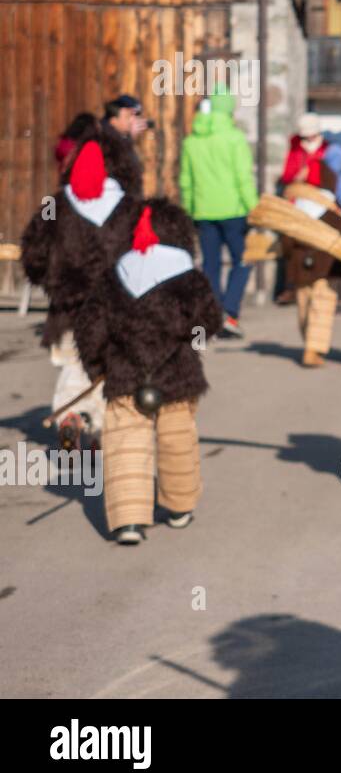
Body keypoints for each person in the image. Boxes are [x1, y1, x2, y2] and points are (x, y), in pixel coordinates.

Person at [74, 198, 224, 545]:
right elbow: (209, 321)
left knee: (125, 445)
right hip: (177, 375)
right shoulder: (190, 278)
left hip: (125, 375)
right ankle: (179, 507)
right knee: (178, 442)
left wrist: (99, 366)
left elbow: (90, 328)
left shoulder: (113, 277)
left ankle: (128, 521)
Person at [21, 128, 142, 450]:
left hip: (69, 308)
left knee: (75, 365)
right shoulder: (130, 208)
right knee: (107, 368)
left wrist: (48, 280)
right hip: (117, 309)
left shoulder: (56, 204)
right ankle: (98, 427)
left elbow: (33, 252)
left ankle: (70, 416)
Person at [179, 91, 258, 338]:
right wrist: (254, 208)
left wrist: (190, 210)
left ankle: (212, 316)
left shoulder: (191, 141)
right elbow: (243, 177)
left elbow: (186, 181)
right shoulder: (234, 138)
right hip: (234, 211)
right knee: (243, 261)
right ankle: (229, 312)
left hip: (203, 212)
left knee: (210, 265)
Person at [280, 164, 341, 367]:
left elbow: (286, 242)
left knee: (304, 307)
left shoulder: (295, 209)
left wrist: (289, 259)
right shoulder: (333, 210)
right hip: (326, 269)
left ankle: (308, 344)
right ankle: (312, 348)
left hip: (299, 269)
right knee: (322, 308)